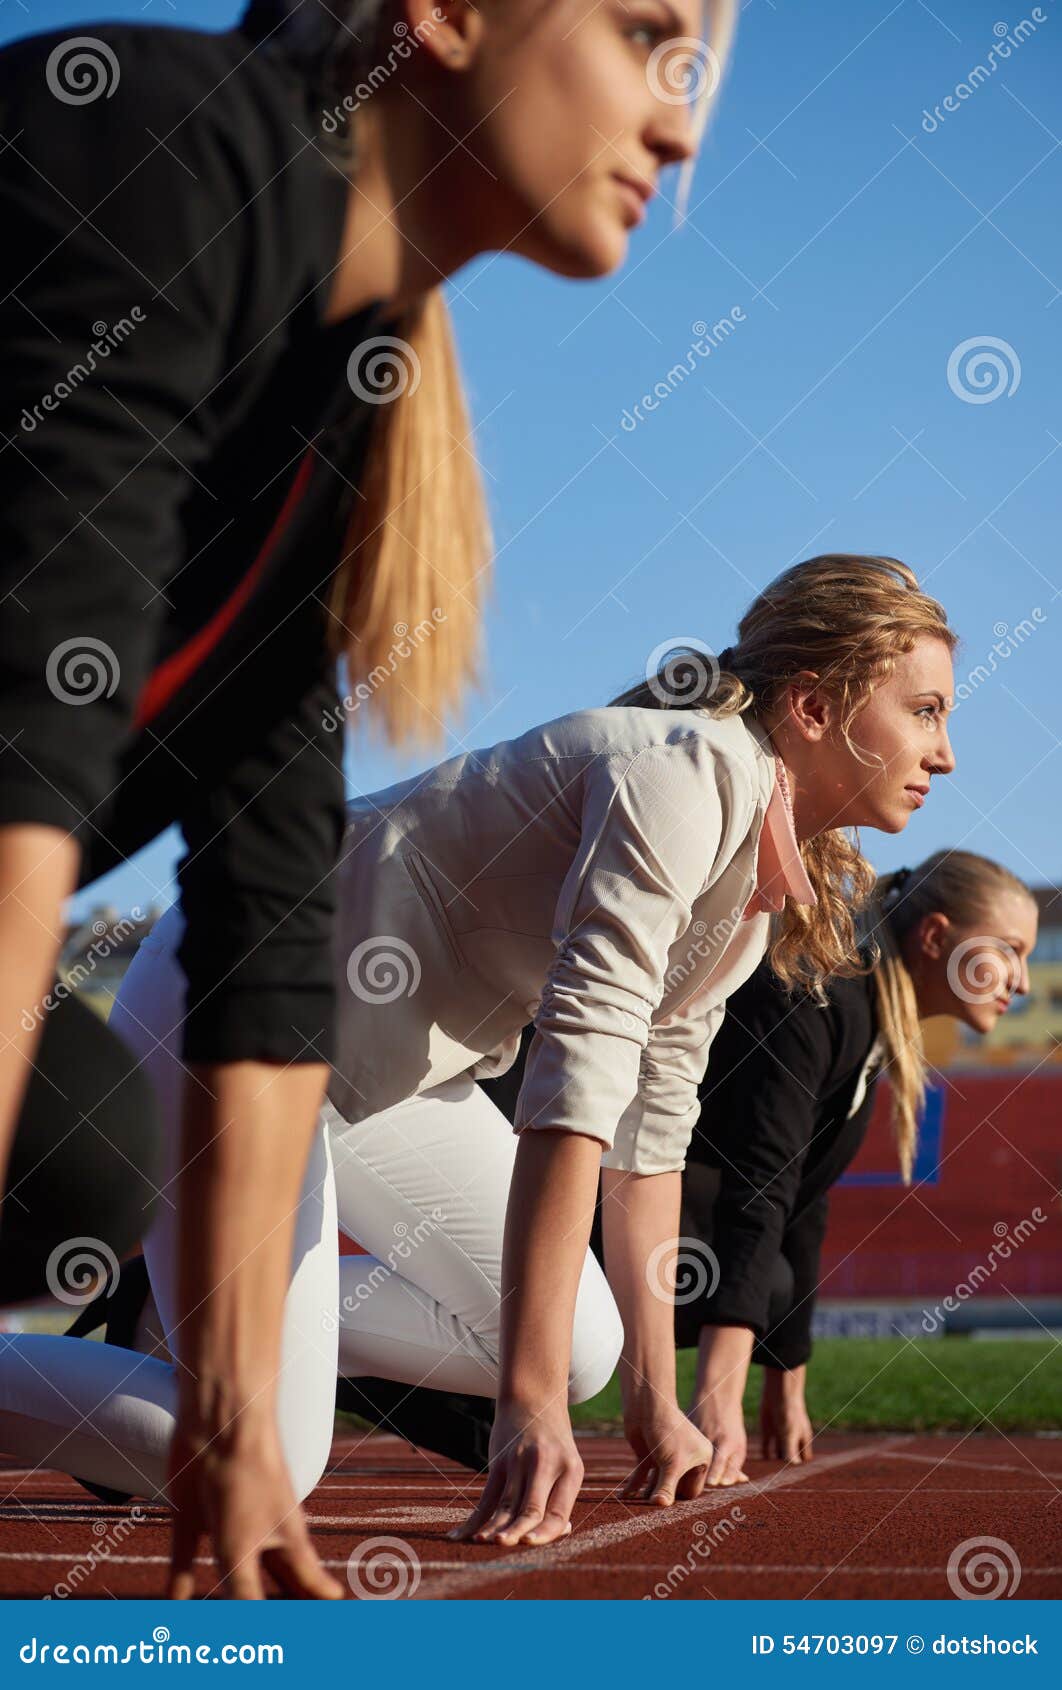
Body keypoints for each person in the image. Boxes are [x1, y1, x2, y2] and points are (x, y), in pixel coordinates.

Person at [0, 0, 736, 1597]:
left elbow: (267, 910)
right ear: (446, 18)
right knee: (62, 1152)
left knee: (83, 1161)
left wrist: (227, 1428)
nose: (681, 125)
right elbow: (22, 762)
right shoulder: (156, 145)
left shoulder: (338, 402)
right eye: (645, 36)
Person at [0, 551, 957, 1552]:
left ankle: (180, 1323)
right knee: (273, 1458)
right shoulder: (683, 774)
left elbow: (648, 1133)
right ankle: (215, 1354)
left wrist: (654, 1399)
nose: (945, 754)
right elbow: (576, 1079)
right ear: (813, 705)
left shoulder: (748, 904)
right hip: (237, 1020)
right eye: (925, 711)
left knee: (582, 1347)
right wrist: (525, 1408)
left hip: (383, 1083)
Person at [668, 849, 1037, 1482]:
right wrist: (718, 1397)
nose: (1022, 982)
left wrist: (786, 1377)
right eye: (1010, 950)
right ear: (935, 938)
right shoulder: (823, 992)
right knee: (767, 1279)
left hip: (669, 1213)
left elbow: (804, 1199)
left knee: (777, 1276)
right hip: (596, 1206)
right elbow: (761, 1186)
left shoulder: (865, 1013)